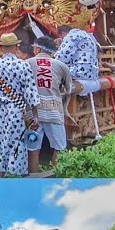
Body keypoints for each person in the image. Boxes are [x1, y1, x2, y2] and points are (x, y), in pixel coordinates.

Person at [0, 35, 41, 177]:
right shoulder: (23, 65)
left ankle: (1, 177)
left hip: (0, 111)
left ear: (1, 48)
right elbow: (30, 91)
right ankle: (15, 177)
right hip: (18, 110)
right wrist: (35, 115)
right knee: (17, 143)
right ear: (16, 47)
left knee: (2, 143)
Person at [30, 36, 75, 169]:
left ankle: (33, 177)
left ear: (38, 48)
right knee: (59, 147)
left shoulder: (26, 63)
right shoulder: (61, 66)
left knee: (33, 148)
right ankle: (58, 175)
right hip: (54, 111)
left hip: (33, 113)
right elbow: (69, 90)